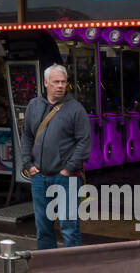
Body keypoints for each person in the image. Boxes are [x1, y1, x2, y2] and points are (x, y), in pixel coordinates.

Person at [18, 64, 92, 249]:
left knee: (69, 228)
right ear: (45, 83)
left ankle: (71, 272)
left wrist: (68, 169)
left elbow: (84, 142)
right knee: (43, 227)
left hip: (66, 177)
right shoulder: (34, 105)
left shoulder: (76, 109)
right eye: (56, 82)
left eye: (63, 82)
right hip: (39, 176)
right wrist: (29, 164)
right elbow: (26, 135)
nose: (60, 85)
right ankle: (47, 269)